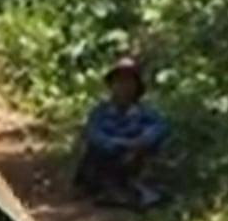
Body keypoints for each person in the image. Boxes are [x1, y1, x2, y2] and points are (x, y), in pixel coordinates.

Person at [73, 57, 172, 210]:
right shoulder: (100, 112)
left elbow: (160, 128)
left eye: (128, 82)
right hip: (108, 160)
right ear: (111, 86)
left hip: (136, 159)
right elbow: (93, 134)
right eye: (119, 82)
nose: (124, 87)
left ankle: (139, 190)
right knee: (96, 154)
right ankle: (109, 190)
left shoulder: (145, 112)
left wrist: (141, 141)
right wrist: (120, 144)